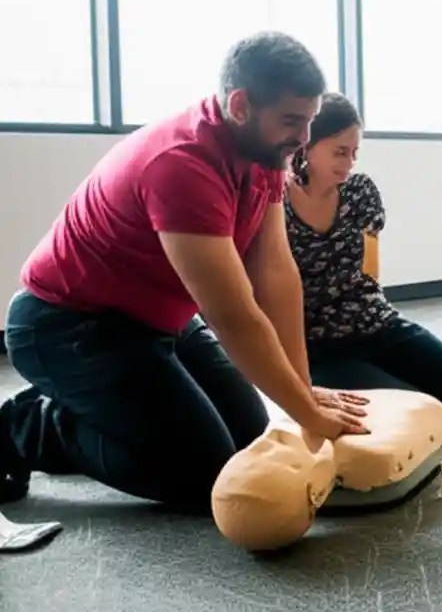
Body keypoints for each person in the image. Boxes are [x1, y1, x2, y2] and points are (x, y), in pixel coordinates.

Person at [0, 32, 369, 507]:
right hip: (67, 325)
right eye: (292, 122)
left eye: (310, 121)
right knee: (202, 471)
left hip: (160, 319)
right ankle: (25, 427)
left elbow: (275, 272)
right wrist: (308, 417)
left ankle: (105, 407)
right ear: (240, 105)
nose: (303, 138)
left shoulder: (264, 151)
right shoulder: (182, 162)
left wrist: (303, 391)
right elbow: (234, 315)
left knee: (247, 437)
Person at [285, 92, 442, 431]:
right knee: (414, 417)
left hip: (375, 324)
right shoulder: (276, 204)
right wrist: (295, 374)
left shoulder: (360, 191)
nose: (349, 163)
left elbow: (370, 271)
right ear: (306, 145)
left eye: (354, 153)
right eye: (339, 152)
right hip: (318, 346)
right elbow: (276, 291)